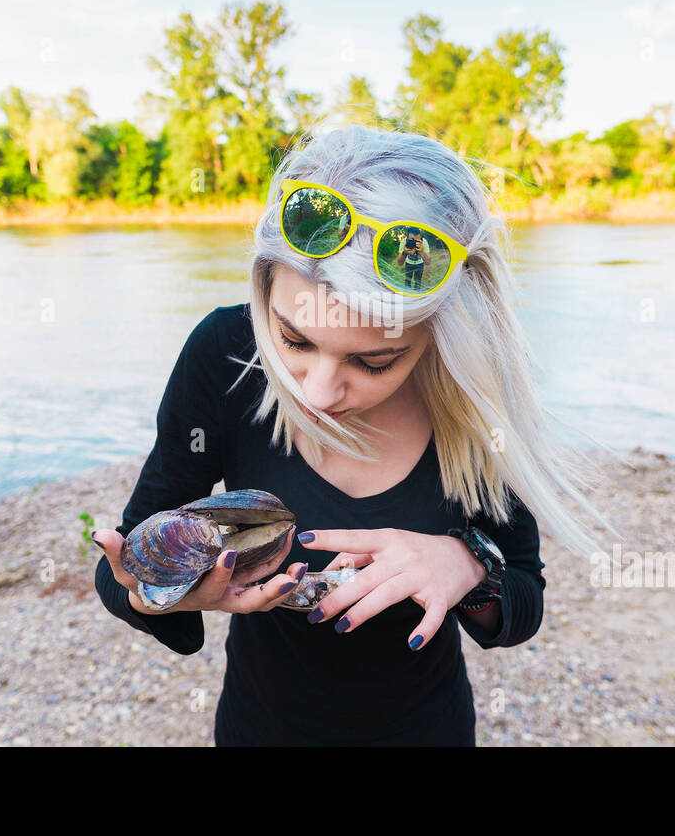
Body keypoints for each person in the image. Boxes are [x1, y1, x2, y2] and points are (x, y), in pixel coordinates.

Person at [92, 123, 616, 745]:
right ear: (263, 288)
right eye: (293, 339)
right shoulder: (224, 354)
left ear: (443, 329)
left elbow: (521, 602)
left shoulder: (474, 396)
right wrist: (164, 598)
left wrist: (468, 568)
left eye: (373, 361)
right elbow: (126, 562)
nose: (316, 392)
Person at [396, 225, 430, 290]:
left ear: (420, 238)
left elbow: (428, 262)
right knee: (407, 281)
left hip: (420, 264)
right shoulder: (404, 242)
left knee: (418, 282)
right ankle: (408, 295)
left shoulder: (424, 242)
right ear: (407, 238)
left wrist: (421, 251)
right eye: (411, 240)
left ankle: (416, 296)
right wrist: (405, 252)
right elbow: (400, 263)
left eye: (417, 241)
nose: (414, 243)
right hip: (409, 263)